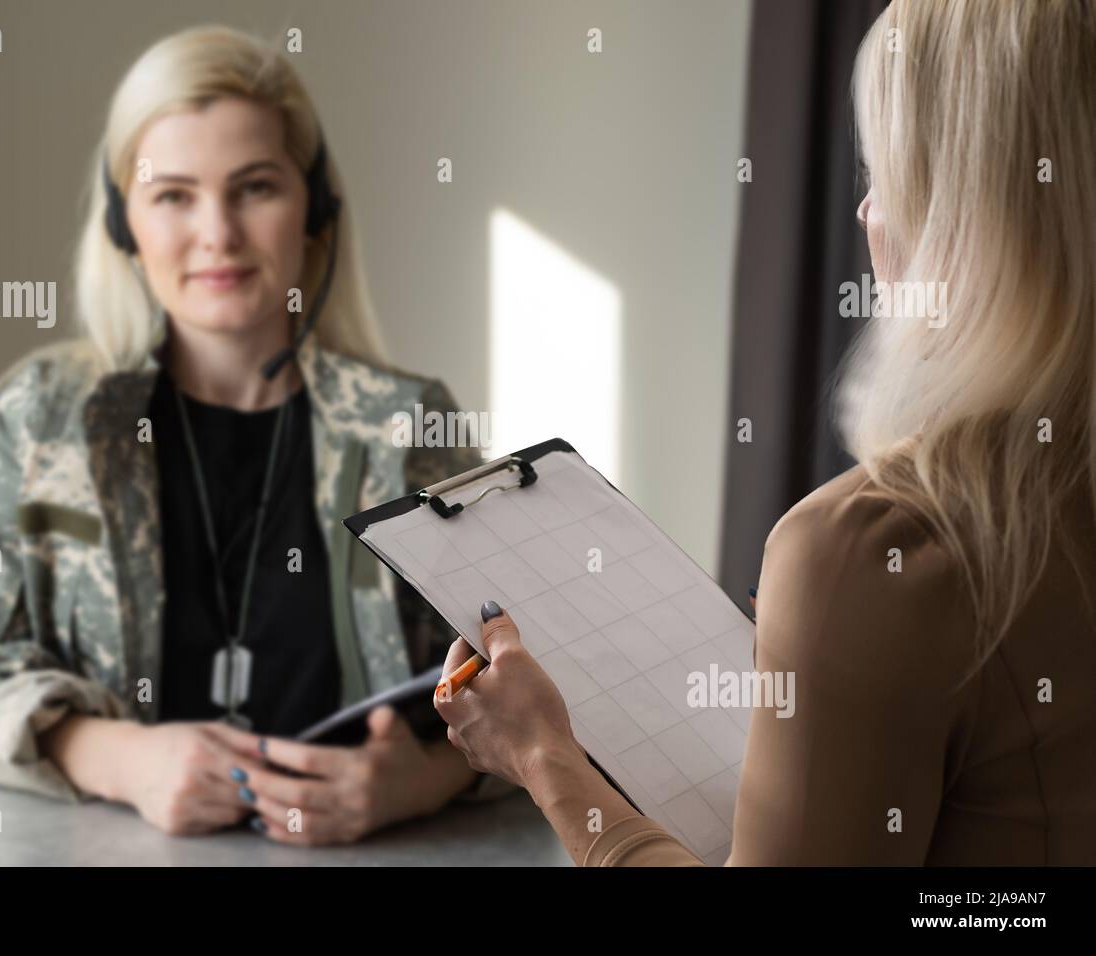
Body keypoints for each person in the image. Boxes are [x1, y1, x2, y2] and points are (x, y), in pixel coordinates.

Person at [435, 0, 1096, 865]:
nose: (866, 216)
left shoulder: (878, 546)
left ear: (965, 214)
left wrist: (543, 756)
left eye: (885, 172)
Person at [0, 24, 513, 842]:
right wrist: (117, 756)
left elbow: (526, 674)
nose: (218, 233)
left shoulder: (410, 426)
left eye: (255, 187)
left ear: (315, 208)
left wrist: (425, 779)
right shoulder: (33, 418)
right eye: (173, 194)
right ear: (127, 224)